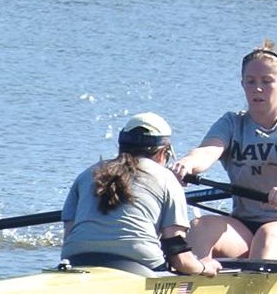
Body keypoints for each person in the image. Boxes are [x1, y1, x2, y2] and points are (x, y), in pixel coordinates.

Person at [170, 41, 277, 261]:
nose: (257, 88)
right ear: (242, 84)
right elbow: (208, 151)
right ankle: (190, 288)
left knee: (269, 235)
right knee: (200, 227)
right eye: (250, 82)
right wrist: (187, 164)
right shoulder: (232, 122)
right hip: (245, 226)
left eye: (267, 81)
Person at [60, 113, 219, 277]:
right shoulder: (166, 178)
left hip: (75, 258)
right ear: (163, 152)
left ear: (121, 146)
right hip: (139, 263)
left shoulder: (87, 174)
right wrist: (204, 267)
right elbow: (179, 256)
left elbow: (70, 235)